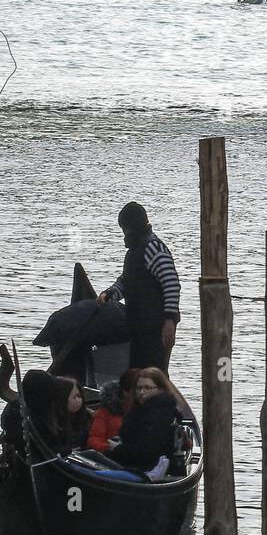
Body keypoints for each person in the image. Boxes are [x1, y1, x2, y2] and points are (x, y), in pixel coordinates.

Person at [98, 202, 181, 371]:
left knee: (155, 373)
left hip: (155, 329)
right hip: (138, 328)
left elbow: (171, 284)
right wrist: (109, 295)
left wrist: (169, 321)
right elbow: (126, 282)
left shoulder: (154, 248)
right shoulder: (134, 253)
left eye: (124, 228)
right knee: (138, 373)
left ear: (130, 227)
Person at [107, 367, 180, 478]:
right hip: (138, 465)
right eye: (138, 388)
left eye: (147, 388)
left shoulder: (157, 415)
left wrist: (117, 449)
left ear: (160, 389)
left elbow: (147, 451)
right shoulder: (143, 411)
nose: (142, 392)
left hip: (146, 470)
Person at [87, 368, 139, 453]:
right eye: (138, 389)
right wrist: (109, 448)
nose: (142, 393)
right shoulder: (107, 410)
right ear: (125, 391)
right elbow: (94, 439)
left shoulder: (149, 409)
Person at [55, 376, 92, 451]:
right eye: (74, 397)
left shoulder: (86, 415)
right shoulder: (55, 422)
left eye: (79, 396)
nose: (78, 400)